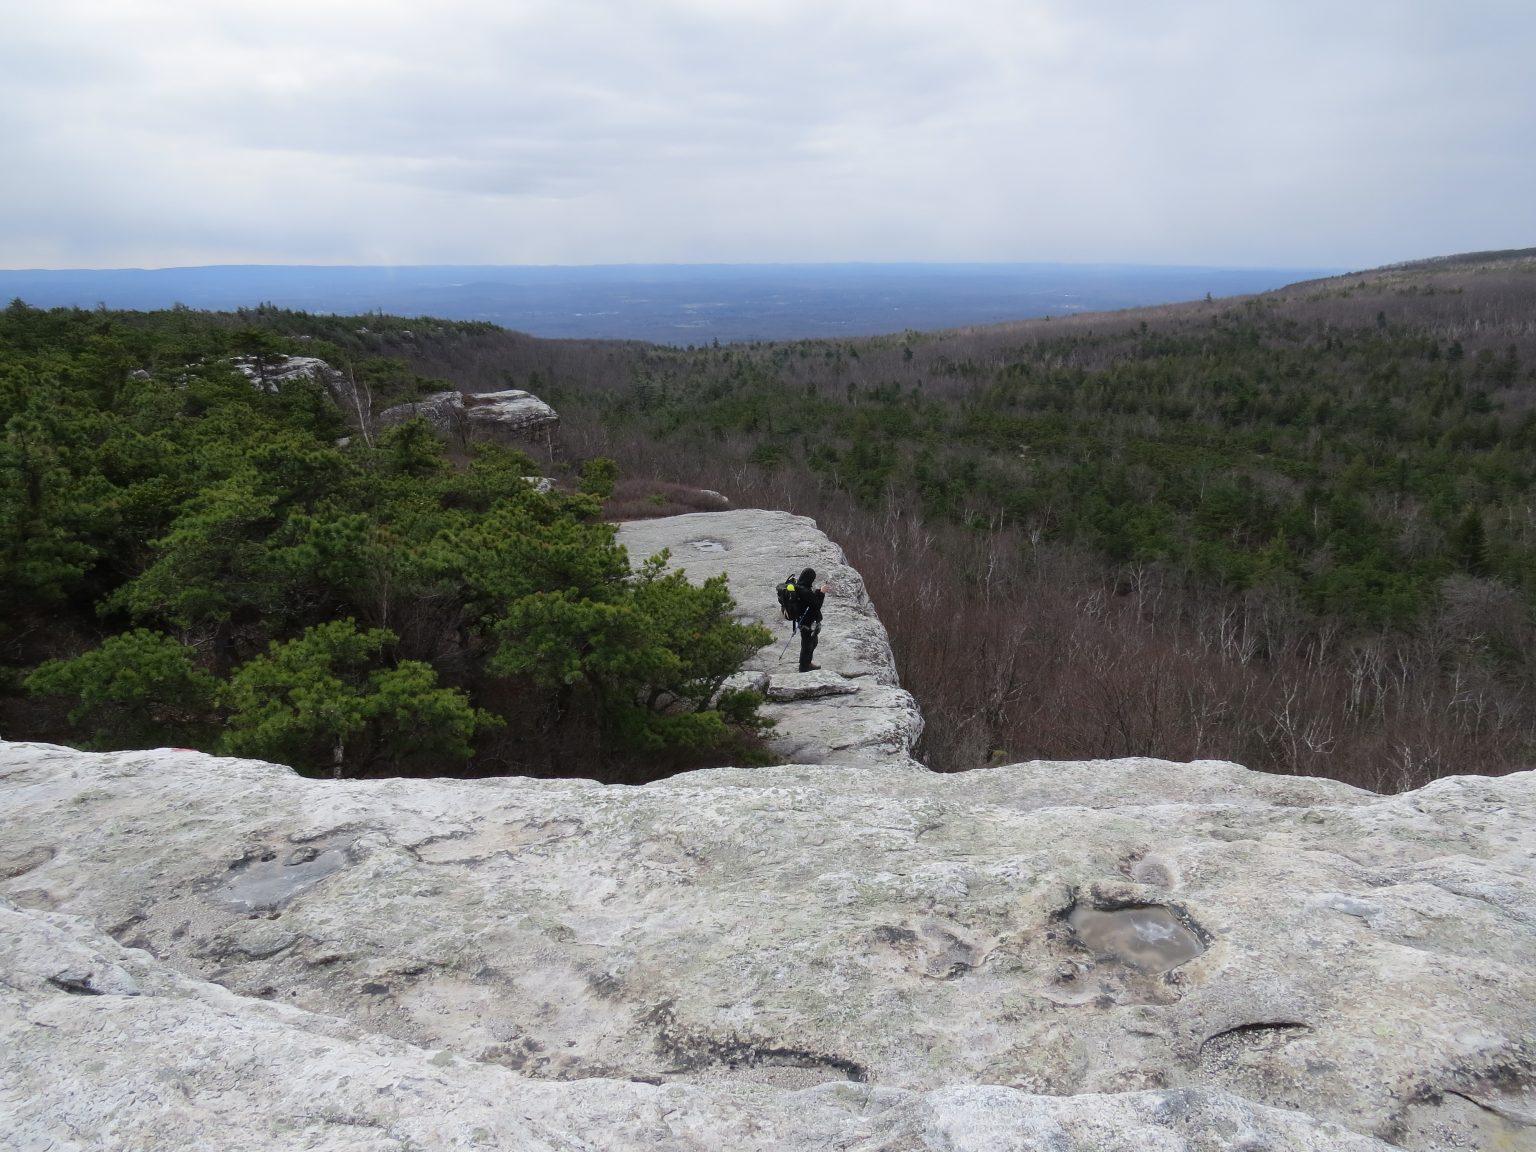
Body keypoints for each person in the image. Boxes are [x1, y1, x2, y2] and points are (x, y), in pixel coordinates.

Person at [793, 567, 830, 672]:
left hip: (803, 620)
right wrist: (822, 593)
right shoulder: (804, 591)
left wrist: (818, 591)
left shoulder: (800, 587)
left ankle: (807, 663)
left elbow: (810, 600)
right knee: (808, 644)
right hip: (807, 622)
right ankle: (804, 667)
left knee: (811, 642)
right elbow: (816, 605)